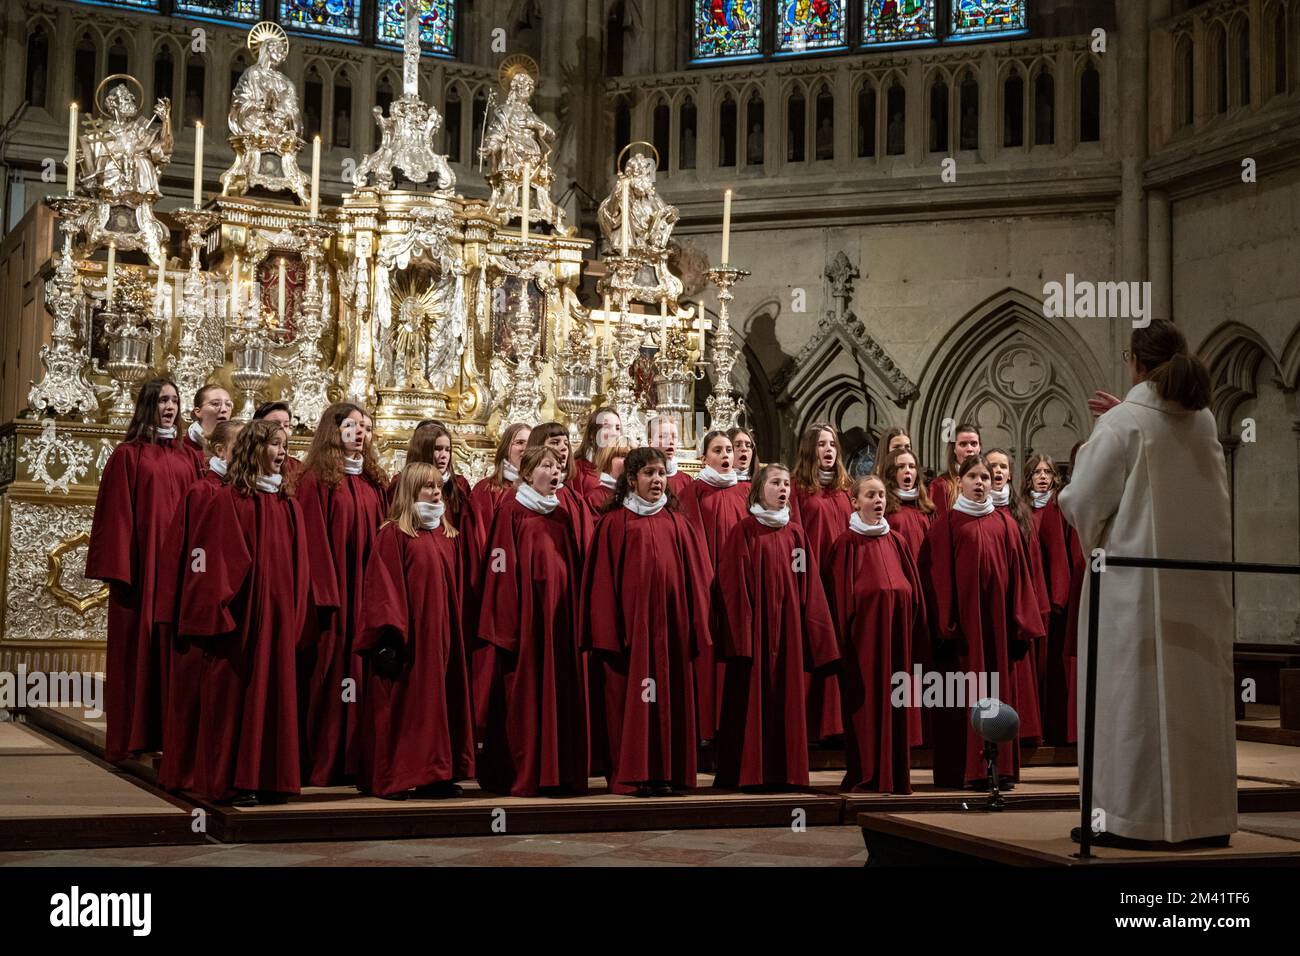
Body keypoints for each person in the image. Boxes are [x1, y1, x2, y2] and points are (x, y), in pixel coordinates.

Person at [1059, 319, 1235, 848]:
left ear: (1135, 363)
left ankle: (1126, 820)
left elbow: (1081, 501)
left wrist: (1107, 432)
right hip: (1201, 592)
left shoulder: (1122, 424)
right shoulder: (1203, 421)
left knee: (1129, 700)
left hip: (1131, 593)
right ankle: (1202, 820)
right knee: (1196, 699)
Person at [175, 420, 337, 805]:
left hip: (278, 623)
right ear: (253, 450)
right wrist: (221, 614)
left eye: (284, 445)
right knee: (236, 700)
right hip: (242, 622)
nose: (282, 452)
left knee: (276, 699)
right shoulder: (229, 500)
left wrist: (297, 619)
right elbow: (211, 563)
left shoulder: (289, 506)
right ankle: (232, 780)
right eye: (274, 445)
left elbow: (301, 570)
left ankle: (270, 779)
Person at [581, 447, 714, 796]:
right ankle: (631, 774)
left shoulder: (677, 523)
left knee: (670, 699)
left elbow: (696, 580)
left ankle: (667, 772)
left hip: (671, 633)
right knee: (631, 702)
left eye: (661, 474)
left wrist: (694, 626)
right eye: (649, 474)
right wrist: (608, 634)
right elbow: (601, 584)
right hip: (630, 638)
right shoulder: (614, 523)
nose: (657, 481)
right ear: (630, 479)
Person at [87, 377, 201, 763]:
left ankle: (171, 734)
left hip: (181, 568)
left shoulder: (190, 457)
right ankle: (131, 736)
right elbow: (116, 516)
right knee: (139, 651)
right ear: (147, 406)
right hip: (143, 569)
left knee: (174, 652)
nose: (169, 407)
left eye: (174, 400)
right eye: (162, 400)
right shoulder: (128, 455)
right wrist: (123, 571)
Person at [922, 454, 1045, 790]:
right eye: (973, 477)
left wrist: (1020, 623)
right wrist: (945, 625)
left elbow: (1019, 578)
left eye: (985, 478)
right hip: (962, 635)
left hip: (997, 631)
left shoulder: (1004, 524)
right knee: (963, 695)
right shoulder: (946, 525)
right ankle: (966, 770)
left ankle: (999, 769)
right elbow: (937, 578)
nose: (980, 483)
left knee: (998, 693)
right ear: (959, 482)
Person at [714, 463, 838, 790]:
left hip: (789, 633)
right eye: (775, 483)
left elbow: (808, 585)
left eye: (786, 484)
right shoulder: (744, 531)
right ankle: (749, 773)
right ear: (758, 489)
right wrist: (742, 636)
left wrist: (814, 636)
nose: (783, 489)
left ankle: (787, 773)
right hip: (754, 635)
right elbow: (731, 585)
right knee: (750, 700)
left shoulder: (795, 533)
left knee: (787, 697)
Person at [355, 462, 474, 800]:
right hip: (408, 639)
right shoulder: (394, 533)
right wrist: (389, 635)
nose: (436, 492)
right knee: (407, 706)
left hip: (442, 637)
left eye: (438, 486)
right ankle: (395, 775)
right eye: (427, 487)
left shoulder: (446, 534)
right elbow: (383, 585)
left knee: (438, 703)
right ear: (410, 491)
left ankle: (436, 774)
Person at [476, 446, 589, 796]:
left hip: (558, 621)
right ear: (526, 474)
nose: (555, 473)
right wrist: (508, 626)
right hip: (525, 622)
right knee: (524, 696)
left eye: (558, 467)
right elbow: (499, 566)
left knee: (559, 692)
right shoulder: (511, 510)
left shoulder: (561, 515)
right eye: (545, 466)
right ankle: (525, 772)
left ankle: (558, 772)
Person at [292, 403, 388, 786]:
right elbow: (312, 540)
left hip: (366, 594)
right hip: (334, 599)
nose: (361, 432)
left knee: (363, 680)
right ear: (334, 431)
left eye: (366, 426)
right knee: (330, 678)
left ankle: (357, 760)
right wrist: (327, 596)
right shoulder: (317, 480)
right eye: (352, 426)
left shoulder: (371, 481)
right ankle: (325, 760)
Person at [824, 475, 926, 794]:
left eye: (881, 495)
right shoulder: (845, 544)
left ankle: (895, 775)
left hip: (897, 646)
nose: (878, 501)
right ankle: (866, 774)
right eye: (870, 495)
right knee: (866, 713)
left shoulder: (897, 542)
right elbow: (836, 602)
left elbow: (915, 593)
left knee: (896, 710)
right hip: (862, 650)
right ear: (854, 502)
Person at [156, 419, 242, 793]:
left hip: (229, 609)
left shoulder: (242, 493)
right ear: (220, 450)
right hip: (200, 610)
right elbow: (190, 556)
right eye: (241, 445)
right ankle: (186, 771)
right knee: (193, 695)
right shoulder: (203, 492)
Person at [677, 429, 748, 743]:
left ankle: (734, 725)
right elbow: (689, 538)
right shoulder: (694, 492)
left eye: (729, 450)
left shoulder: (745, 492)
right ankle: (705, 726)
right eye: (718, 450)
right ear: (703, 457)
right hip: (706, 584)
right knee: (708, 651)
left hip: (737, 585)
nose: (726, 456)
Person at [464, 423, 531, 737]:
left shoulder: (537, 493)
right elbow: (481, 544)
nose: (524, 448)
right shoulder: (487, 490)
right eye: (519, 442)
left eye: (531, 444)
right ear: (506, 447)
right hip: (495, 590)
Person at [789, 422, 852, 744]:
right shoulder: (798, 488)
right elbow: (796, 536)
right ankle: (813, 727)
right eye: (821, 445)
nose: (828, 450)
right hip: (814, 581)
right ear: (809, 449)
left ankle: (839, 726)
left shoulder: (845, 490)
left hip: (842, 580)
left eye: (832, 445)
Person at [986, 448, 1048, 748]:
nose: (998, 472)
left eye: (1002, 467)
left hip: (1017, 601)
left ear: (1010, 473)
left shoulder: (1020, 511)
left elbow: (1033, 561)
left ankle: (1021, 731)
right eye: (992, 467)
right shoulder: (980, 512)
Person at [1022, 453, 1077, 745]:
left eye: (1047, 472)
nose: (1042, 477)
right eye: (1037, 472)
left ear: (1055, 477)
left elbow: (1062, 557)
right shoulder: (1022, 510)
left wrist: (1059, 596)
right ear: (1028, 478)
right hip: (1029, 596)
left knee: (1053, 667)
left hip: (1052, 600)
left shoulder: (1061, 508)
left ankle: (1053, 730)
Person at [880, 449, 933, 561]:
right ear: (891, 472)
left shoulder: (924, 506)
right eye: (901, 466)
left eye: (912, 466)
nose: (907, 470)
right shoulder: (884, 507)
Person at [928, 424, 981, 521]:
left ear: (979, 448)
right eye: (963, 444)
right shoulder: (940, 485)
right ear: (954, 449)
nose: (969, 449)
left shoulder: (988, 483)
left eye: (974, 444)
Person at [573, 407, 622, 498]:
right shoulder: (577, 470)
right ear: (592, 434)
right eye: (607, 427)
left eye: (617, 428)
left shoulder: (623, 466)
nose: (615, 433)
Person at [184, 384, 233, 463]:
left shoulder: (237, 446)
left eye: (228, 404)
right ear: (198, 411)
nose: (224, 409)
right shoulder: (182, 447)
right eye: (215, 404)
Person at [648, 415, 692, 498]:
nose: (671, 441)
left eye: (674, 437)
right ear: (650, 442)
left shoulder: (687, 481)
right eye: (664, 436)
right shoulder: (641, 477)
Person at [253, 401, 300, 476]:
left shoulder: (297, 468)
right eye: (275, 424)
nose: (282, 430)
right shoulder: (242, 464)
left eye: (286, 425)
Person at [585, 440, 632, 512]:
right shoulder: (594, 497)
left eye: (631, 456)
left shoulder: (636, 494)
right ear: (607, 460)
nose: (629, 461)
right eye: (623, 456)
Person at [728, 427, 758, 494]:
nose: (744, 449)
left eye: (748, 445)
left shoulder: (761, 488)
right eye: (737, 445)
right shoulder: (713, 486)